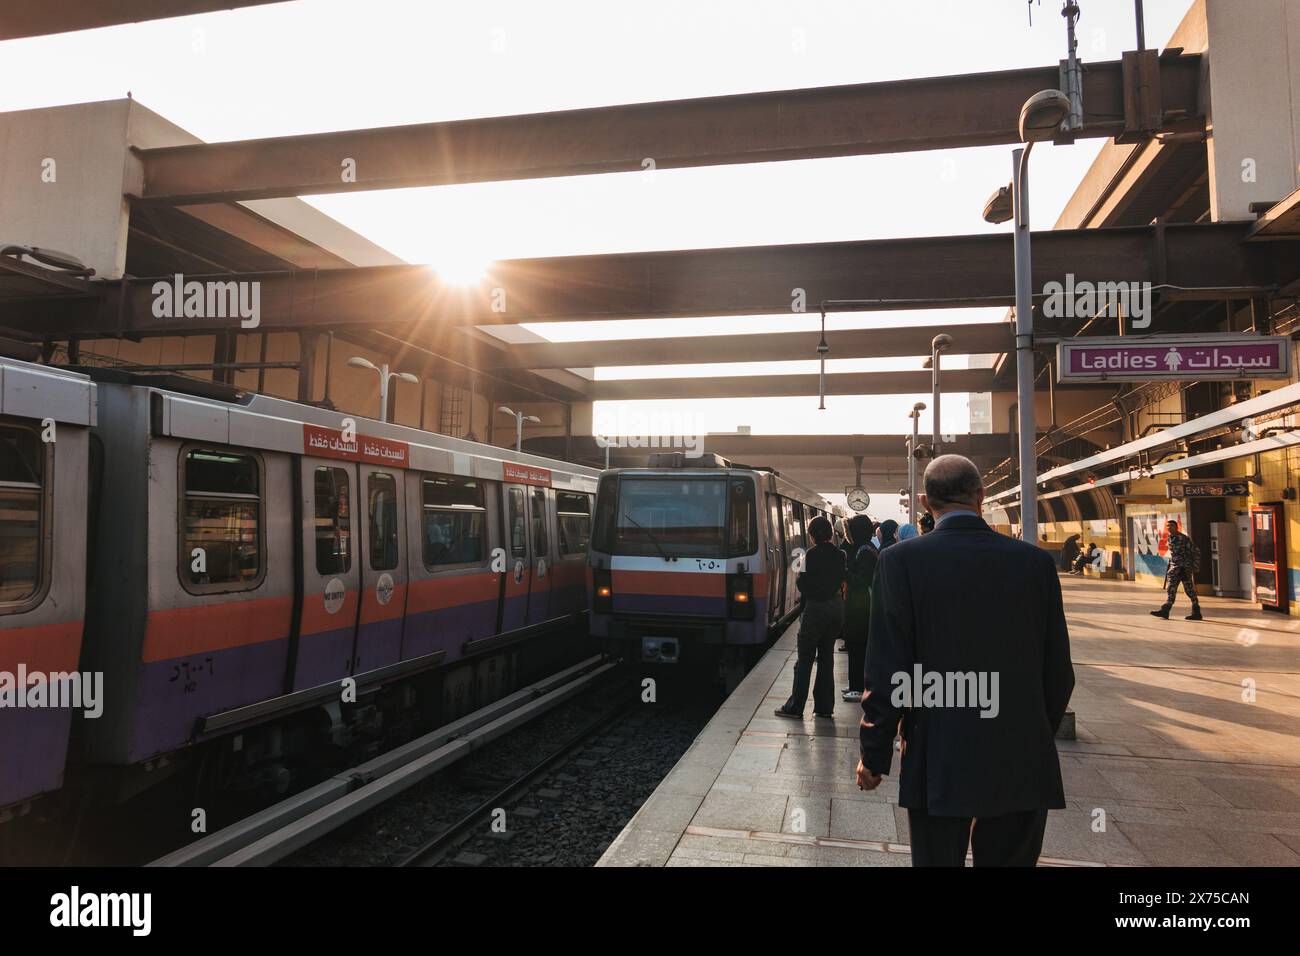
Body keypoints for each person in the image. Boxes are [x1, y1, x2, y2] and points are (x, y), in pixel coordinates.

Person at [855, 454, 1075, 867]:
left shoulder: (900, 562)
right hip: (1020, 758)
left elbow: (887, 669)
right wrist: (1028, 730)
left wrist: (875, 752)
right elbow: (1059, 674)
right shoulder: (1037, 565)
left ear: (924, 502)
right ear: (982, 496)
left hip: (938, 752)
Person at [775, 515, 845, 720]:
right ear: (831, 534)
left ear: (812, 536)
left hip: (816, 610)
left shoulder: (810, 555)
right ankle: (824, 707)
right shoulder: (840, 555)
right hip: (835, 608)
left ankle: (795, 707)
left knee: (805, 658)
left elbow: (802, 584)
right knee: (826, 658)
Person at [841, 514, 878, 702]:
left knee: (857, 646)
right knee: (856, 646)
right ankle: (855, 683)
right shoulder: (865, 548)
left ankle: (858, 687)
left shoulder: (864, 551)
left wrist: (845, 573)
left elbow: (861, 581)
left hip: (861, 607)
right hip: (860, 606)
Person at [1151, 519, 1202, 621]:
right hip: (1175, 568)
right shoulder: (1170, 538)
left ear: (1176, 527)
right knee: (1171, 588)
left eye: (1171, 526)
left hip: (1184, 568)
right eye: (1168, 526)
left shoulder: (1183, 538)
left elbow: (1196, 551)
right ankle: (1165, 610)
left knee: (1189, 590)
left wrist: (1194, 566)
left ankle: (1196, 611)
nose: (1169, 528)